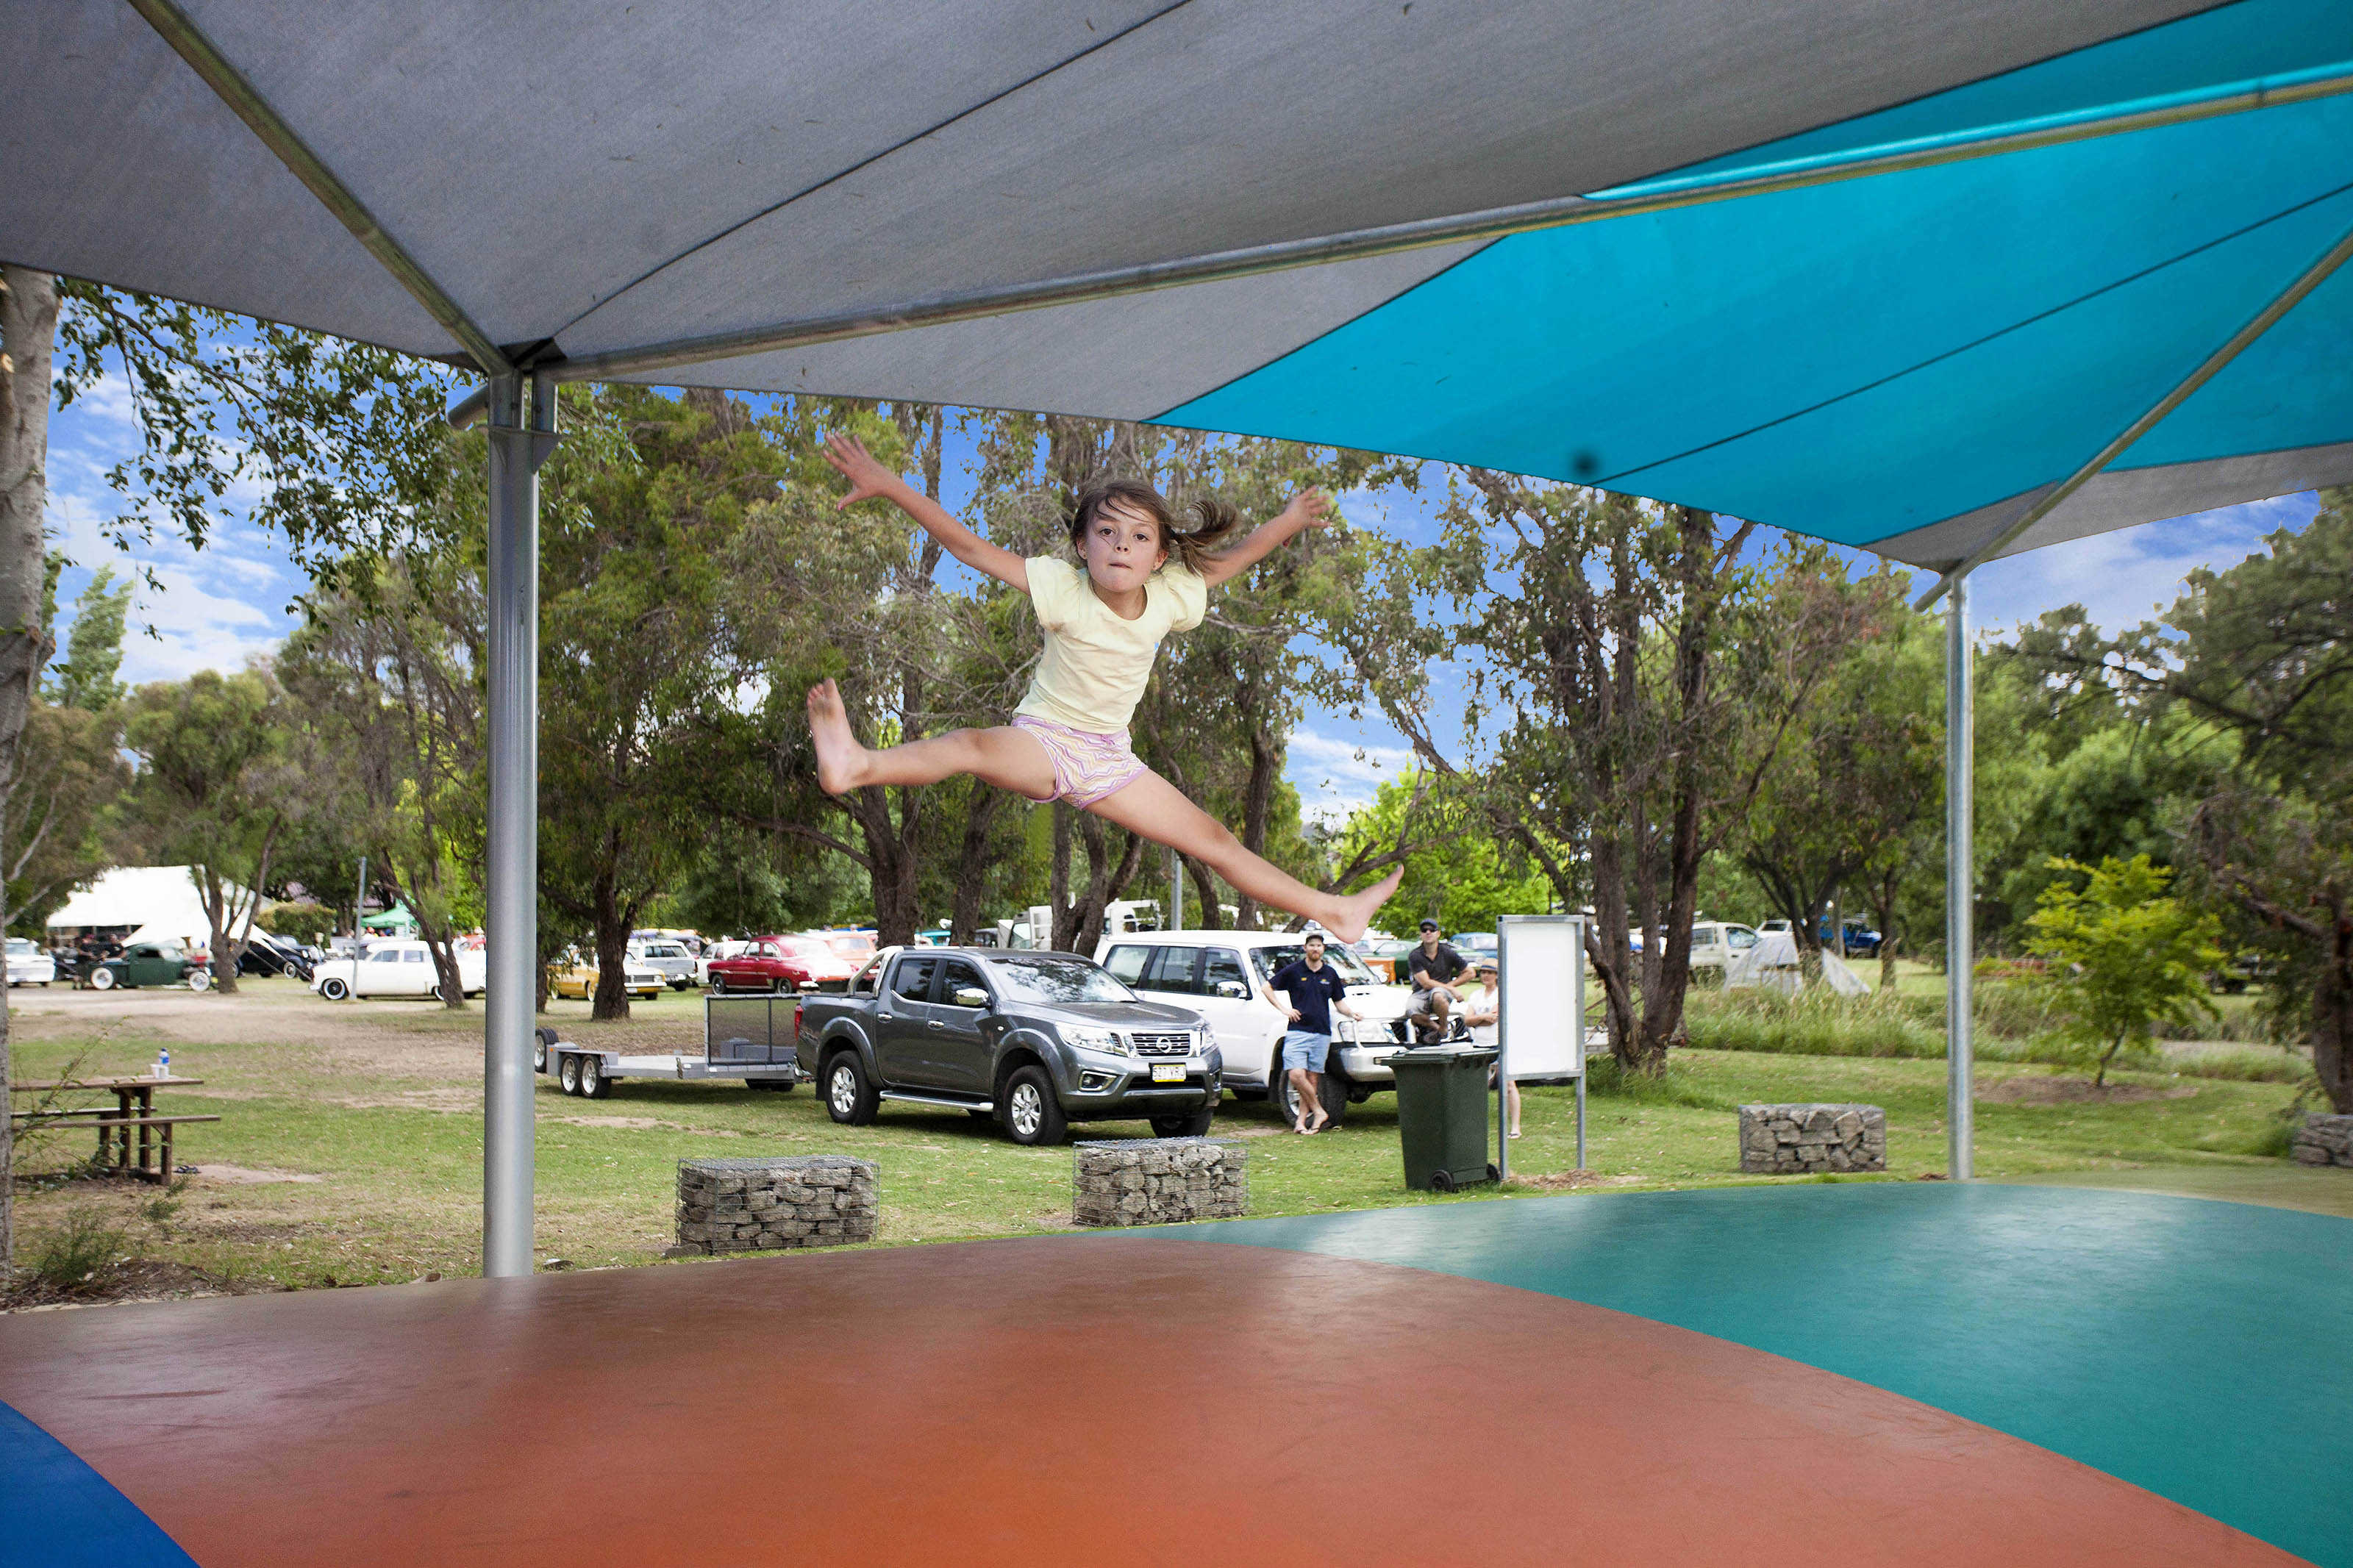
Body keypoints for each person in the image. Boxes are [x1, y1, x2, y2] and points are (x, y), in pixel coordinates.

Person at [807, 434, 1403, 941]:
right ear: (1081, 546)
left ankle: (1335, 911)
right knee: (970, 744)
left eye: (1139, 537)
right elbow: (968, 547)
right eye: (1108, 532)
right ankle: (856, 764)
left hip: (1111, 759)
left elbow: (1233, 560)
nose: (1122, 545)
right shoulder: (1063, 588)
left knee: (1215, 840)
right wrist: (890, 483)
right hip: (1046, 739)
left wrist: (1291, 518)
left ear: (1160, 555)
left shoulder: (1172, 593)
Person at [1263, 931, 1362, 1134]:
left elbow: (1339, 1003)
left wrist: (1352, 1013)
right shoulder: (1294, 971)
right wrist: (1284, 1010)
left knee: (1313, 1079)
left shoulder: (1330, 974)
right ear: (1305, 949)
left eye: (1319, 946)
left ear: (1323, 949)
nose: (1315, 949)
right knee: (1296, 1075)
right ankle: (1319, 1111)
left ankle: (1302, 1122)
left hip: (1322, 1032)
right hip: (1298, 1031)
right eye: (1312, 945)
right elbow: (1266, 988)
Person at [1461, 956, 1520, 1138]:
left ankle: (1515, 1127)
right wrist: (1481, 1018)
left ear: (1496, 976)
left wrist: (1479, 1019)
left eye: (1490, 973)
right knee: (1477, 1086)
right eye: (1484, 972)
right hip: (1479, 1045)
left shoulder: (1501, 993)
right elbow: (1467, 1020)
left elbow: (1493, 1018)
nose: (1486, 976)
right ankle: (1473, 1125)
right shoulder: (1476, 995)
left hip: (1498, 1043)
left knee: (1509, 1085)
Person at [1405, 919, 1470, 1042]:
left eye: (1432, 930)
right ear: (1421, 934)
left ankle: (1444, 1026)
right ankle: (1440, 1030)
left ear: (1438, 933)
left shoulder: (1448, 953)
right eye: (1424, 930)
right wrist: (1451, 988)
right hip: (1421, 992)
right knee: (1411, 1012)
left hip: (1441, 991)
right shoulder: (1415, 955)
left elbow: (1470, 972)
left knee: (1438, 995)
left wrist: (1451, 985)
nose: (1428, 933)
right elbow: (1426, 983)